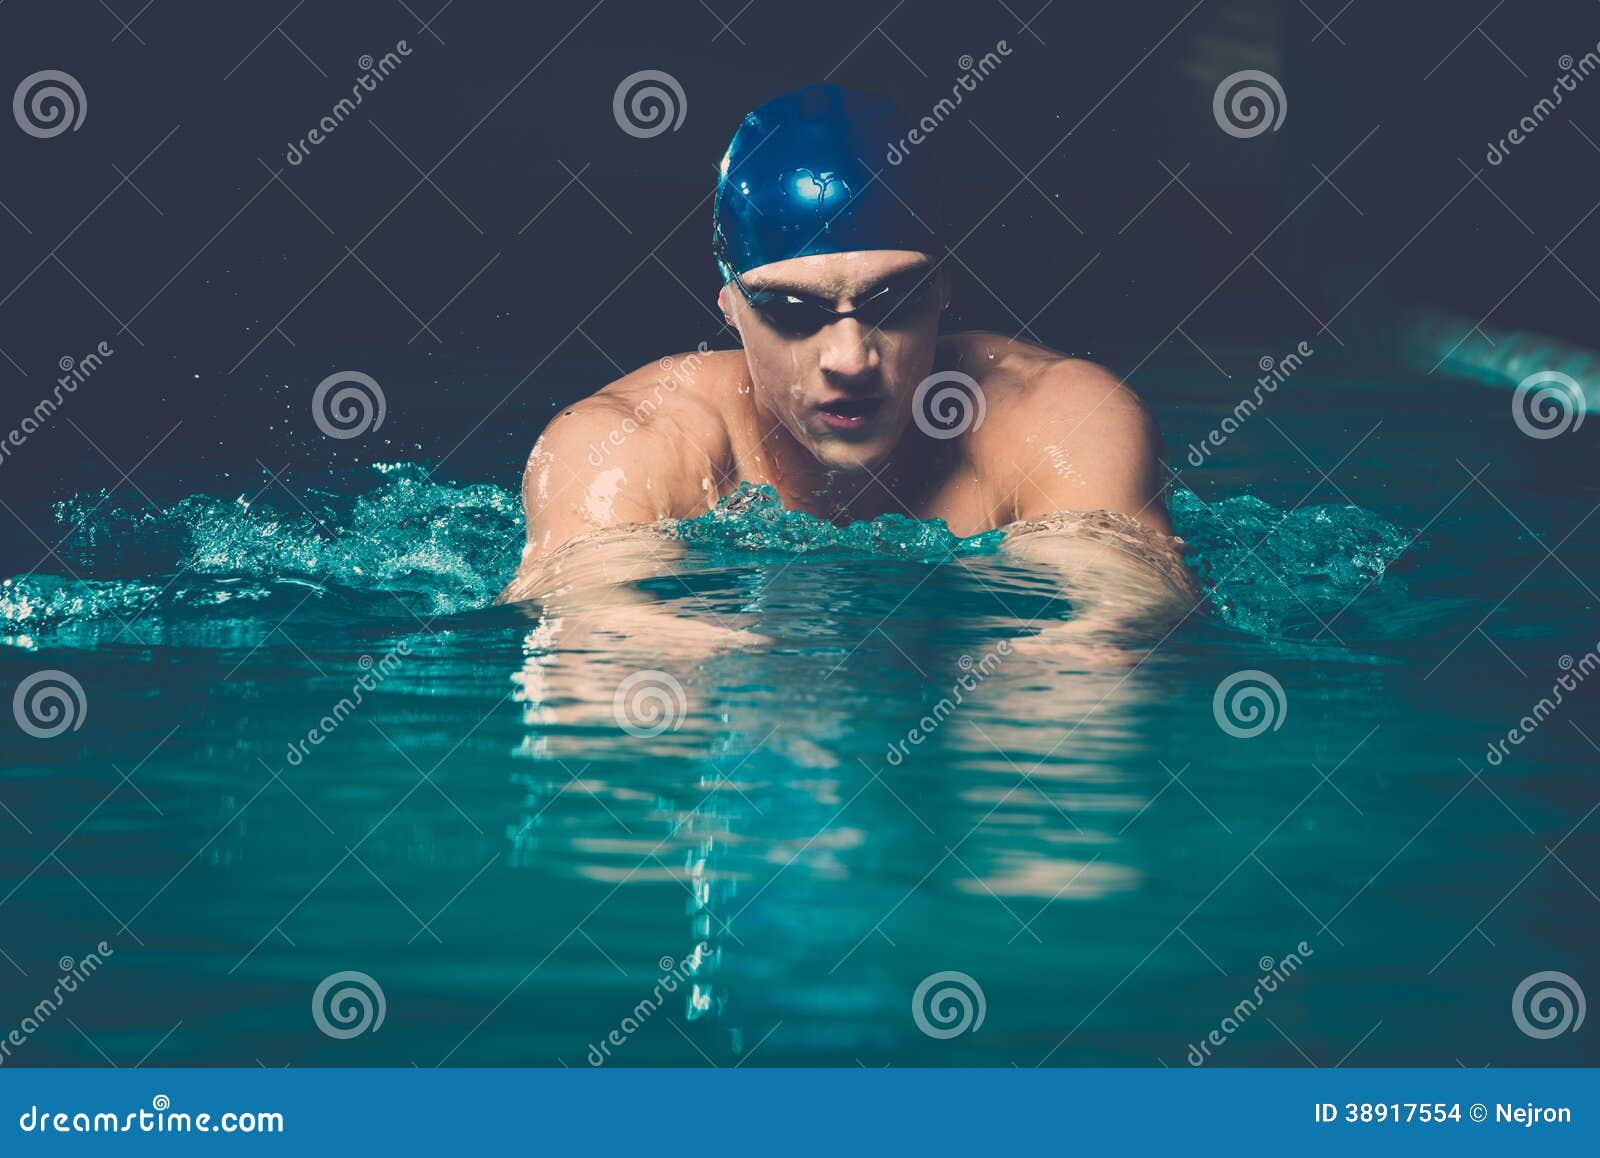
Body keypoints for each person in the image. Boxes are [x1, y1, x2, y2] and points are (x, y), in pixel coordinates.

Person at [498, 84, 1196, 645]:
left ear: (945, 289)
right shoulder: (626, 444)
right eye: (793, 313)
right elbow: (590, 642)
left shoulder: (1059, 416)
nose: (850, 359)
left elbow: (1113, 626)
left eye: (891, 304)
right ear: (731, 309)